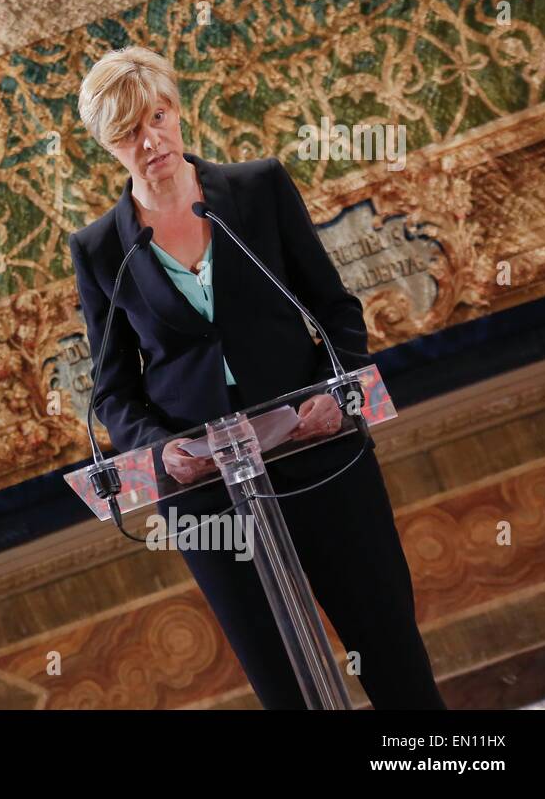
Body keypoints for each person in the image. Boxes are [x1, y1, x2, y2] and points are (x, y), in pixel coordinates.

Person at [69, 45, 445, 709]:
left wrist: (341, 389)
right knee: (286, 687)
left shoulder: (258, 188)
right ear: (108, 144)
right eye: (129, 130)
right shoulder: (100, 249)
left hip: (320, 452)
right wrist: (165, 451)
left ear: (178, 111)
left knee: (391, 653)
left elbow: (332, 308)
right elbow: (113, 392)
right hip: (209, 494)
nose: (151, 140)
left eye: (159, 116)